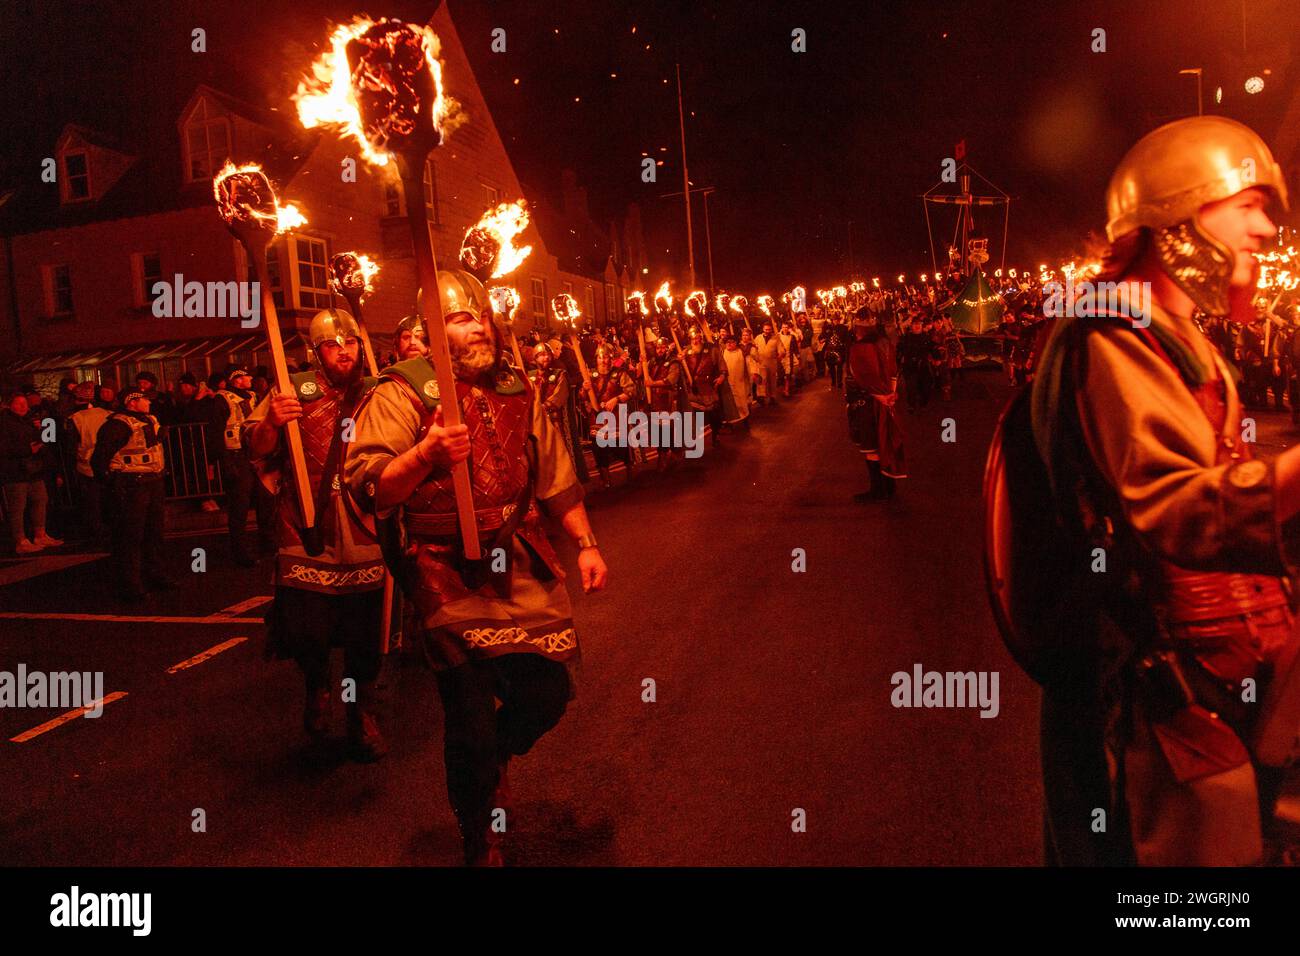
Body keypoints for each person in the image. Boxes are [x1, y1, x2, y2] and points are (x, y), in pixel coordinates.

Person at [1010, 116, 1300, 865]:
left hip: (1223, 672)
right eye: (1246, 207)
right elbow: (1174, 506)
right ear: (1176, 217)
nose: (1267, 228)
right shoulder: (1111, 333)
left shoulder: (1181, 336)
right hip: (1144, 694)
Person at [344, 268, 609, 866]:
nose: (481, 327)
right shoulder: (401, 390)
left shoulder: (518, 387)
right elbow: (370, 487)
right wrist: (426, 453)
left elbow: (556, 478)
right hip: (443, 569)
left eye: (483, 315)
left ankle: (498, 758)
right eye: (464, 317)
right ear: (436, 328)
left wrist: (586, 542)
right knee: (468, 715)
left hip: (520, 560)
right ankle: (477, 834)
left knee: (548, 694)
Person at [243, 308, 387, 761]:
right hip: (306, 525)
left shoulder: (380, 391)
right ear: (315, 352)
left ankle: (359, 710)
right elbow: (254, 446)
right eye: (332, 345)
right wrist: (271, 423)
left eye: (350, 343)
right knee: (309, 630)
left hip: (364, 525)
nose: (344, 351)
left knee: (366, 634)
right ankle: (317, 687)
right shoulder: (291, 390)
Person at [90, 389, 171, 600]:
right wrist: (113, 482)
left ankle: (155, 575)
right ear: (132, 403)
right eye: (143, 399)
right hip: (132, 484)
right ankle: (131, 585)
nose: (148, 402)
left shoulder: (149, 419)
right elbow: (99, 459)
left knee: (154, 533)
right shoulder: (117, 425)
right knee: (131, 537)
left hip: (153, 482)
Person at [212, 368, 273, 566]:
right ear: (236, 380)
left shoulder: (254, 396)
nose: (249, 379)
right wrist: (225, 463)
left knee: (265, 502)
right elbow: (215, 433)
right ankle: (239, 551)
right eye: (245, 376)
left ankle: (267, 545)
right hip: (236, 456)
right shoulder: (221, 400)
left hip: (256, 455)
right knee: (239, 508)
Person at [846, 310, 905, 500]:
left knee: (871, 445)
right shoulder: (885, 342)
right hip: (885, 399)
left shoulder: (860, 348)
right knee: (884, 442)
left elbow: (865, 376)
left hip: (870, 402)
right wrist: (891, 394)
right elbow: (893, 370)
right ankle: (889, 487)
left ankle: (878, 490)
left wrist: (881, 396)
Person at [2, 391, 62, 554]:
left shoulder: (30, 421)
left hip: (34, 469)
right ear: (9, 405)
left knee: (40, 500)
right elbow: (4, 448)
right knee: (18, 506)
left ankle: (40, 534)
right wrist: (27, 449)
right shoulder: (4, 423)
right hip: (15, 471)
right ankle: (20, 539)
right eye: (18, 403)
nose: (23, 406)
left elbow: (45, 440)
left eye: (25, 403)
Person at [65, 381, 110, 546]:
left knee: (92, 502)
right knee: (107, 498)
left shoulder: (75, 418)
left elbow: (71, 446)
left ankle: (96, 532)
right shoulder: (107, 413)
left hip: (87, 465)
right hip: (108, 463)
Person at [587, 344, 636, 488]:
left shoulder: (619, 373)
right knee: (599, 449)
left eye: (607, 357)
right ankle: (605, 479)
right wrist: (584, 390)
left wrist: (617, 399)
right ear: (596, 360)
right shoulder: (590, 375)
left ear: (611, 359)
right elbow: (583, 397)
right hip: (598, 419)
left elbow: (631, 390)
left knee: (622, 448)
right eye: (601, 357)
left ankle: (630, 474)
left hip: (616, 417)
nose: (604, 361)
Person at [645, 336, 683, 469]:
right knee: (658, 430)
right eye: (658, 347)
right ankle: (662, 454)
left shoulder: (674, 362)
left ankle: (672, 452)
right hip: (656, 402)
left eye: (662, 347)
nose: (660, 350)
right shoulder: (652, 362)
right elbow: (640, 374)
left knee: (668, 429)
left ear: (667, 348)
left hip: (668, 400)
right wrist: (641, 363)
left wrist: (652, 384)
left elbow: (670, 380)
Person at [683, 326, 725, 448]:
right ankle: (694, 440)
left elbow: (721, 364)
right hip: (693, 388)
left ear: (701, 338)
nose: (695, 341)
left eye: (697, 338)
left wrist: (722, 376)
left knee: (714, 415)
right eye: (692, 339)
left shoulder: (712, 349)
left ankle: (715, 434)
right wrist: (679, 359)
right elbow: (679, 369)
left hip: (709, 387)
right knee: (694, 416)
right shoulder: (686, 351)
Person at [719, 332, 757, 429]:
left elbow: (750, 364)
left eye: (732, 342)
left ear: (736, 343)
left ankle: (745, 420)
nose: (729, 344)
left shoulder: (742, 352)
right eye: (727, 342)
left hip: (741, 382)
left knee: (742, 403)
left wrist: (753, 374)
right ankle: (730, 423)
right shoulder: (723, 352)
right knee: (729, 404)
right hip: (727, 383)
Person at [752, 322, 784, 405]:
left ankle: (772, 397)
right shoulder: (758, 338)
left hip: (772, 362)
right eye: (766, 329)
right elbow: (754, 348)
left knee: (772, 380)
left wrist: (780, 355)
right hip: (761, 362)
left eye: (769, 329)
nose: (767, 331)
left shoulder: (776, 338)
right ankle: (761, 397)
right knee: (762, 380)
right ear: (763, 329)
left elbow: (781, 349)